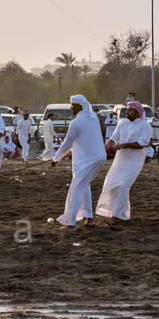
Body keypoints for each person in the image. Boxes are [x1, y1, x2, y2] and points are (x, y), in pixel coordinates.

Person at [51, 94, 105, 228]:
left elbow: (66, 143)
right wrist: (71, 151)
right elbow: (86, 139)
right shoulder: (93, 117)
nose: (70, 108)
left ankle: (69, 221)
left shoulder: (76, 122)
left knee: (75, 188)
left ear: (80, 106)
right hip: (98, 157)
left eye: (72, 105)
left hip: (89, 160)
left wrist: (56, 158)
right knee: (83, 186)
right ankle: (89, 217)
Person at [95, 100, 152, 220]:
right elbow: (113, 137)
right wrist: (109, 144)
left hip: (134, 161)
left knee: (123, 186)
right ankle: (115, 212)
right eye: (127, 109)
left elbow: (142, 143)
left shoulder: (145, 126)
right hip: (120, 161)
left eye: (130, 110)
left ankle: (118, 214)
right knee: (111, 184)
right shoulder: (122, 123)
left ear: (138, 112)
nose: (127, 112)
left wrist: (123, 145)